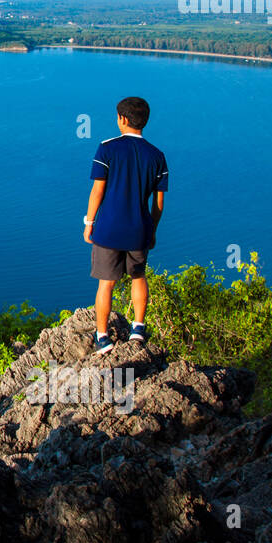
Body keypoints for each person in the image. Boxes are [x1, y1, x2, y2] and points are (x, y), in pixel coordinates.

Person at [82, 96, 168, 353]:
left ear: (123, 119)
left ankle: (102, 336)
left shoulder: (107, 149)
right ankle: (138, 328)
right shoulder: (157, 156)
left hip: (108, 230)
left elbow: (97, 191)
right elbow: (158, 202)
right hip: (139, 229)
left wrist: (89, 223)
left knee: (106, 283)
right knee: (138, 276)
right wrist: (152, 229)